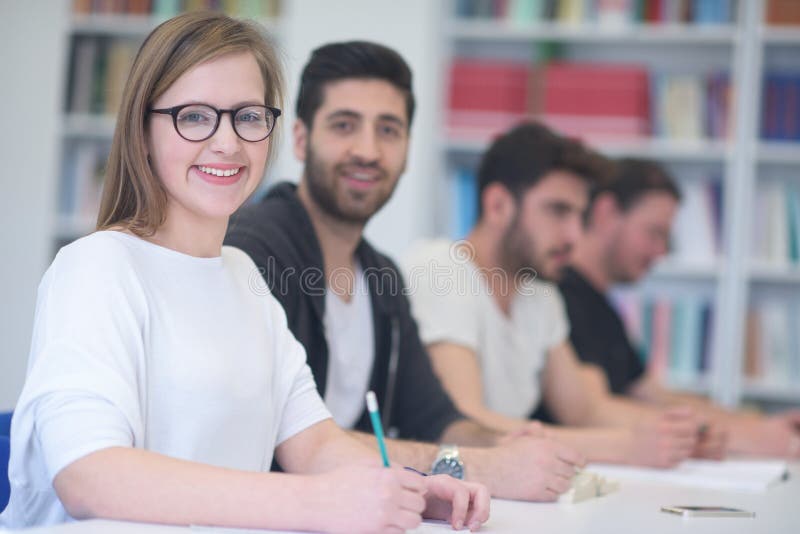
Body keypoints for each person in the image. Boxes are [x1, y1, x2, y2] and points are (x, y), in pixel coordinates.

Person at [0, 13, 490, 532]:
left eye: (249, 117)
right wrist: (316, 503)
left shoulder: (246, 280)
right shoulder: (97, 267)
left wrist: (410, 489)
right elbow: (88, 477)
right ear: (142, 132)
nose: (228, 143)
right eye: (193, 116)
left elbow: (316, 444)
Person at [225, 40, 584, 502]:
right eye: (344, 125)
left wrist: (505, 446)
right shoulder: (254, 250)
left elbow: (435, 419)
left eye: (389, 130)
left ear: (408, 151)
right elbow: (278, 439)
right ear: (300, 138)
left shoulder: (382, 277)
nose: (368, 151)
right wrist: (480, 466)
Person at [404, 122, 726, 468]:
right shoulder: (440, 268)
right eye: (558, 211)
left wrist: (672, 435)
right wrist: (626, 446)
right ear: (497, 205)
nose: (574, 234)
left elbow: (585, 409)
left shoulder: (540, 293)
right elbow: (463, 421)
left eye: (578, 214)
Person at [560, 157, 800, 458]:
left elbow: (652, 393)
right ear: (606, 212)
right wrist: (744, 436)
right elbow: (592, 410)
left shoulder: (601, 307)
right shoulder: (564, 296)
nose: (661, 252)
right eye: (654, 233)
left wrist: (758, 425)